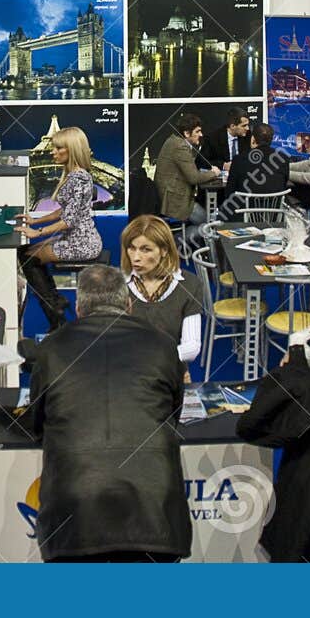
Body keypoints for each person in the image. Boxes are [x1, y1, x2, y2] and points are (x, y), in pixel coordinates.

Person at [27, 264, 190, 562]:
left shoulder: (51, 348)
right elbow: (173, 415)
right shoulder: (163, 345)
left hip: (74, 518)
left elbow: (37, 424)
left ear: (77, 308)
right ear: (128, 305)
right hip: (155, 517)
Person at [18, 126, 103, 332]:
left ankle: (55, 314)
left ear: (71, 150)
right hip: (76, 238)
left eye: (58, 148)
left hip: (82, 243)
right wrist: (34, 221)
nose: (53, 152)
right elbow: (62, 212)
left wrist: (36, 233)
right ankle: (55, 303)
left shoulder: (78, 178)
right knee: (25, 253)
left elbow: (69, 221)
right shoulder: (74, 174)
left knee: (28, 258)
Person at [120, 216, 204, 368]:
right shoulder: (116, 284)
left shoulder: (190, 284)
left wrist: (150, 359)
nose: (136, 257)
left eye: (146, 249)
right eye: (131, 248)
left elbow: (191, 347)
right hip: (126, 374)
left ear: (164, 250)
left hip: (170, 373)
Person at [153, 113, 221, 233]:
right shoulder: (180, 146)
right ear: (186, 133)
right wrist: (214, 173)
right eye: (197, 131)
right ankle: (177, 242)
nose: (201, 135)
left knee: (209, 224)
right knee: (211, 226)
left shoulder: (174, 141)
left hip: (175, 197)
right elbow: (194, 177)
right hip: (177, 202)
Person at [219, 123, 292, 220]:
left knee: (220, 212)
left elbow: (229, 193)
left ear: (253, 139)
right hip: (274, 217)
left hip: (243, 217)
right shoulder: (283, 158)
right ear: (271, 140)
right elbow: (283, 184)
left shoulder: (238, 159)